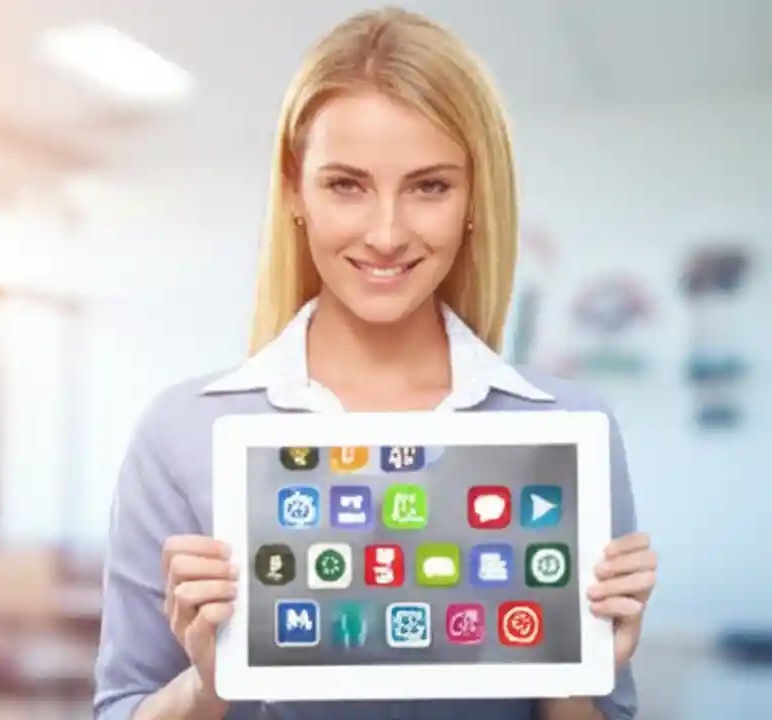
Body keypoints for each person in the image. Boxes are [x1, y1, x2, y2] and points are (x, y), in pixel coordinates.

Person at [93, 7, 657, 720]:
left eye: (429, 186)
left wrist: (578, 667)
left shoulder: (568, 432)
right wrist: (210, 685)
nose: (386, 234)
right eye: (346, 185)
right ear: (295, 189)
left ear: (474, 197)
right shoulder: (181, 432)